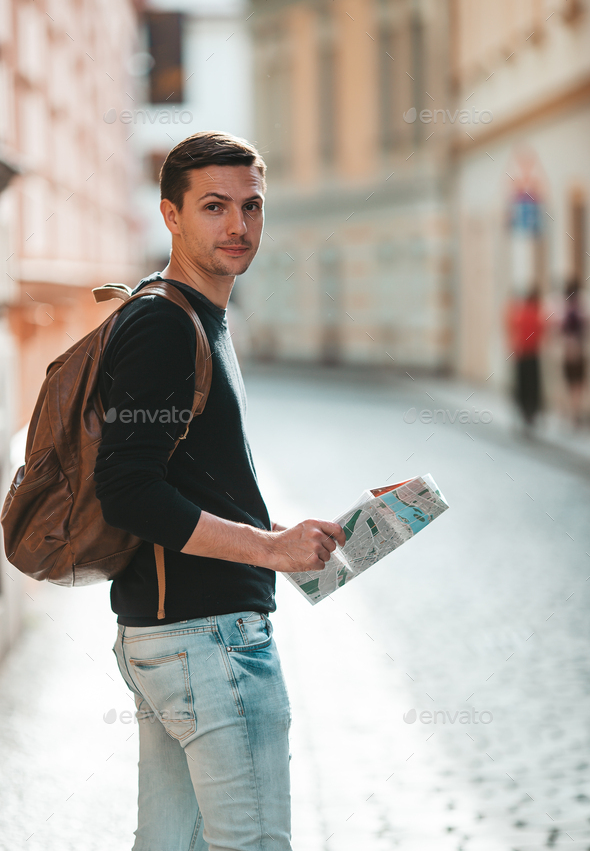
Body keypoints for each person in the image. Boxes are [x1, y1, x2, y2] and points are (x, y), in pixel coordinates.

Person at [94, 131, 345, 851]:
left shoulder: (194, 314)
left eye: (252, 206)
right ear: (171, 215)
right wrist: (269, 547)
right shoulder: (166, 324)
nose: (238, 226)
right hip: (209, 641)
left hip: (180, 637)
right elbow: (128, 489)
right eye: (214, 206)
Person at [505, 288, 545, 428]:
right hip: (532, 354)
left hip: (521, 354)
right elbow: (542, 332)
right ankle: (531, 412)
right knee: (532, 386)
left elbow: (512, 329)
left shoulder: (520, 314)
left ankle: (523, 411)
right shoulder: (536, 314)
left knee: (521, 385)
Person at [560, 280, 587, 425]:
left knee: (571, 384)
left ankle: (573, 412)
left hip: (569, 351)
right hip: (578, 350)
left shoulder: (566, 311)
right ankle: (575, 412)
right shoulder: (580, 310)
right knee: (577, 384)